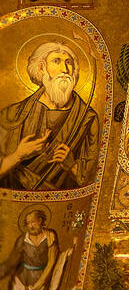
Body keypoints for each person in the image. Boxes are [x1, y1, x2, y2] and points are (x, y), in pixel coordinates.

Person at [0, 42, 101, 190]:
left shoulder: (87, 118)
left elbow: (95, 180)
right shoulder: (12, 115)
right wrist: (18, 155)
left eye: (69, 63)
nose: (65, 69)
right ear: (41, 68)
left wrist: (71, 165)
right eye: (56, 61)